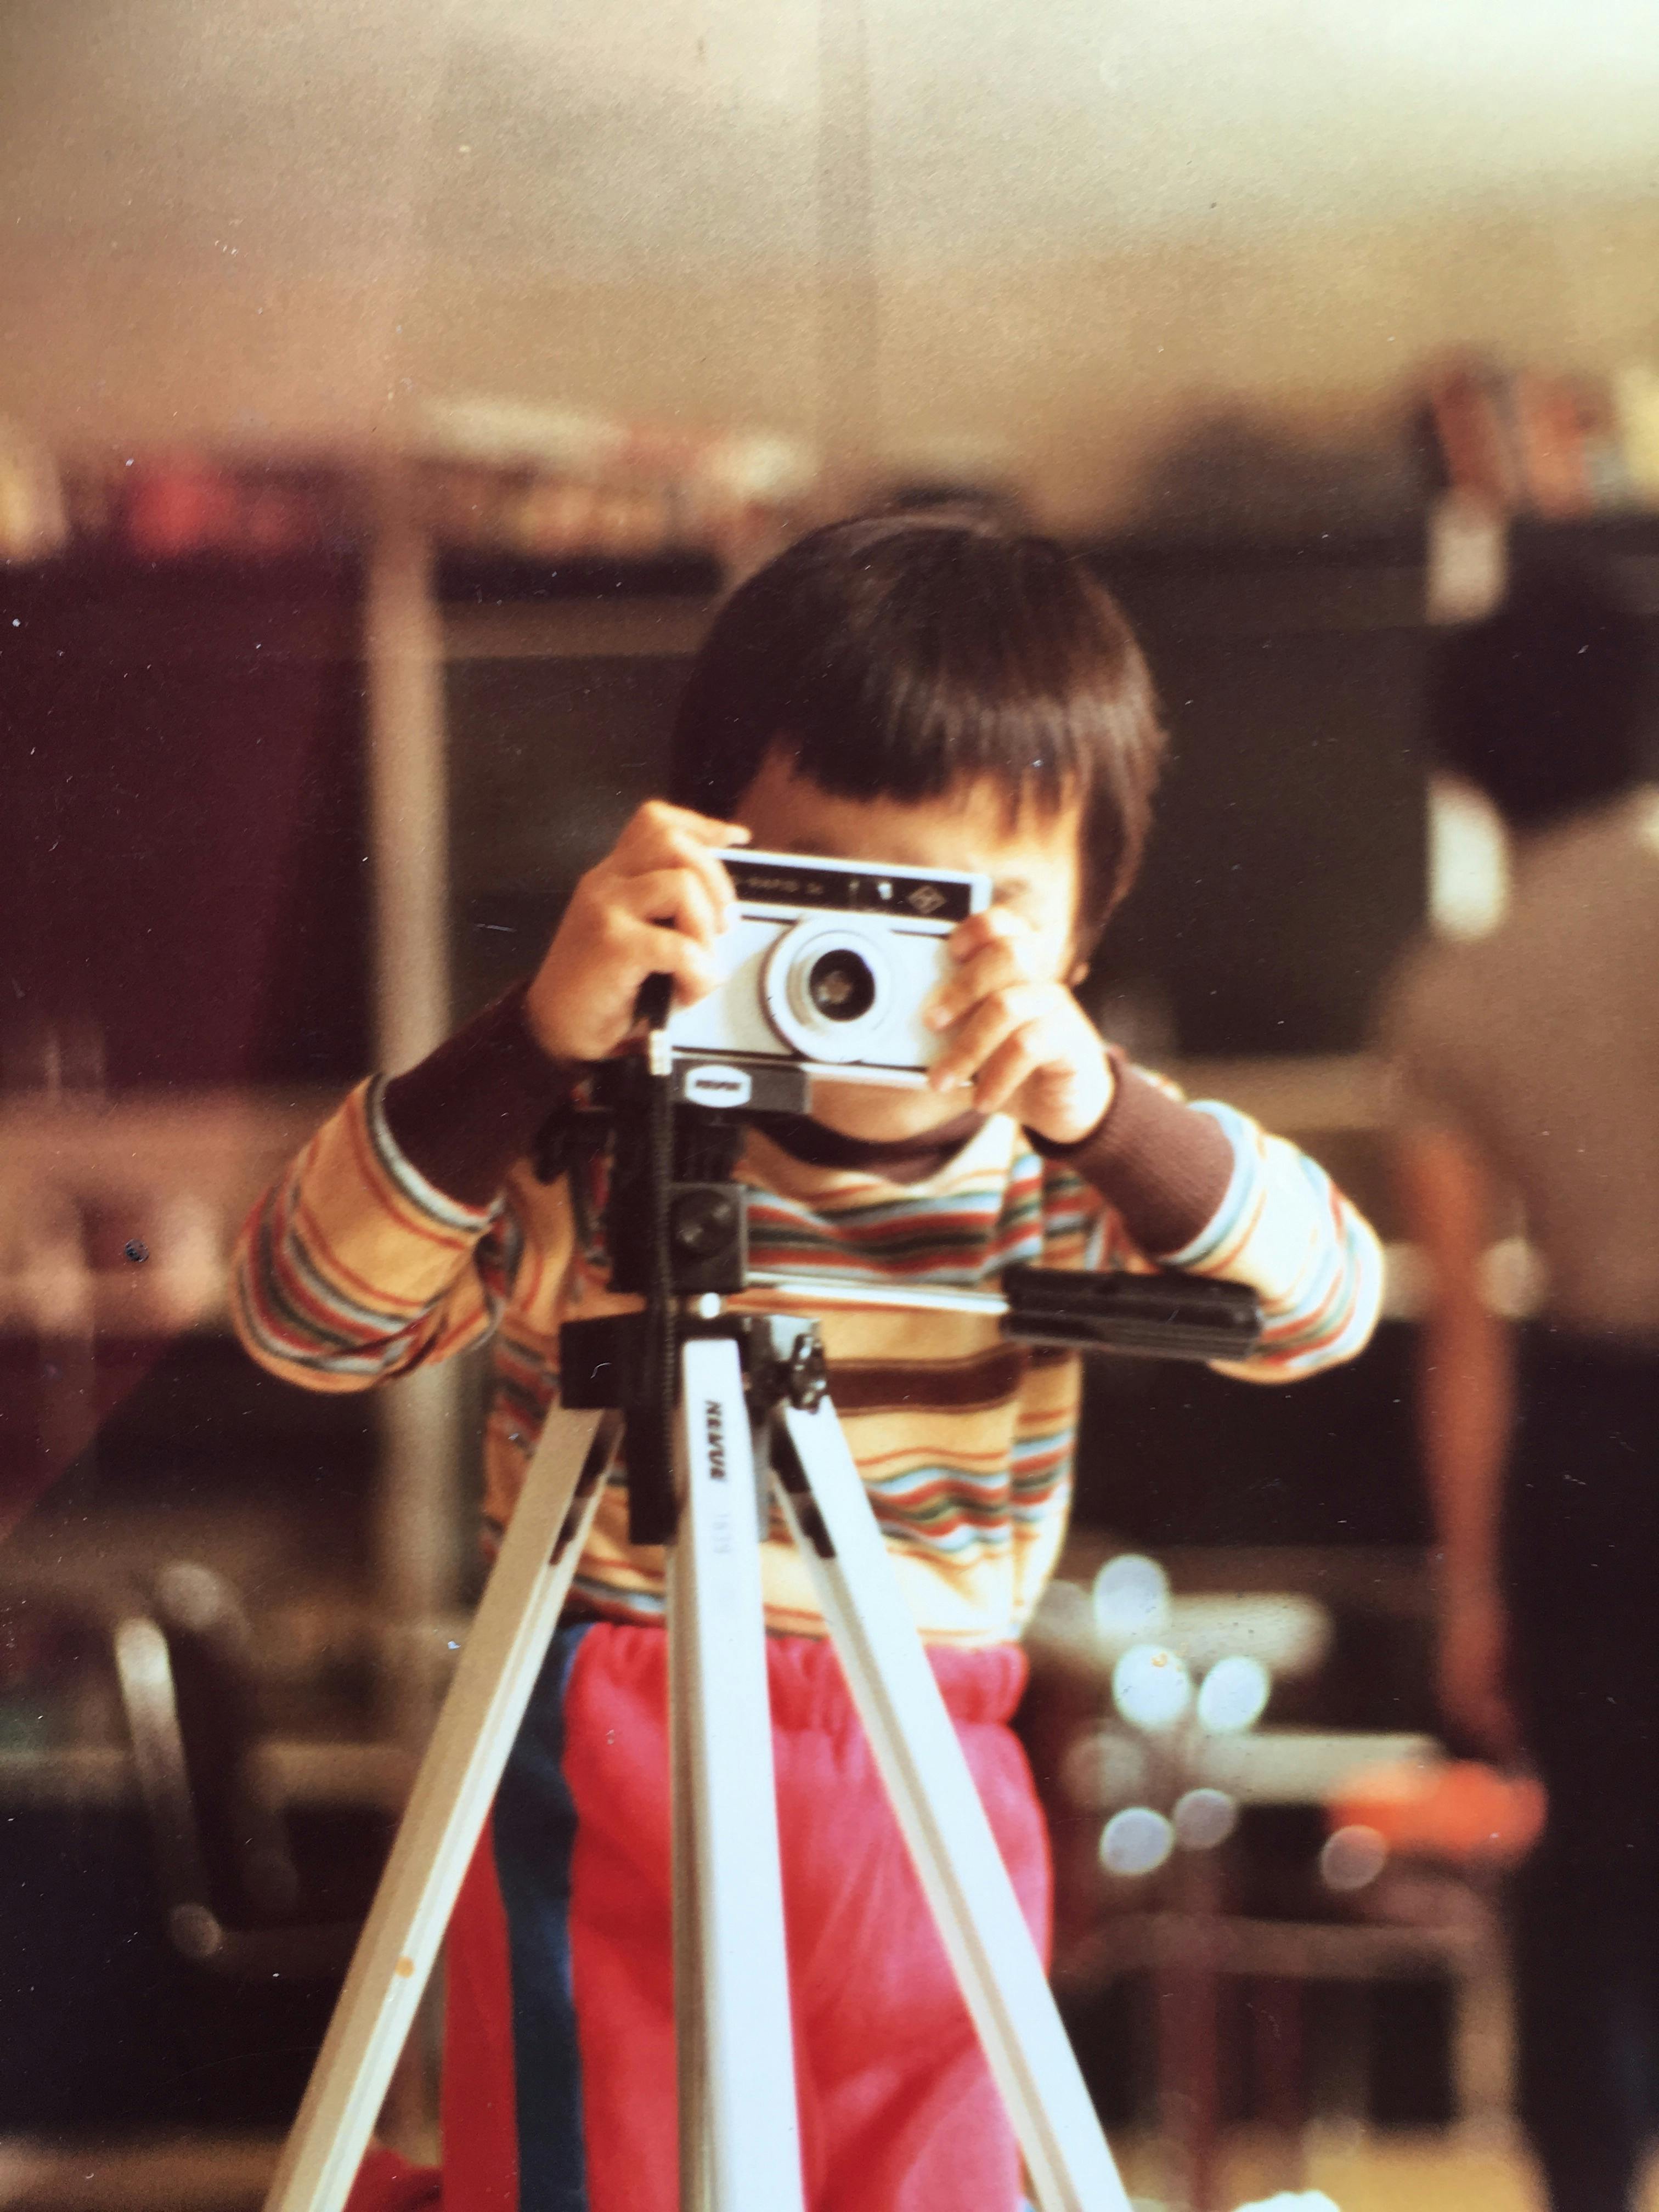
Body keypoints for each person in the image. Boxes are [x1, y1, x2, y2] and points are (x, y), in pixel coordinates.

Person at [233, 513, 1383, 2212]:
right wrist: (532, 1042)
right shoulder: (590, 1145)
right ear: (697, 866)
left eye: (969, 917)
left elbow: (1323, 1304)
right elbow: (305, 1314)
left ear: (1080, 940)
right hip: (611, 1739)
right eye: (834, 900)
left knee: (931, 2177)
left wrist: (1104, 1112)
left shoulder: (1050, 1174)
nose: (878, 978)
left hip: (934, 1757)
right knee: (598, 2173)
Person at [1378, 556, 1659, 2212]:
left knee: (1596, 1869)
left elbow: (1466, 1326)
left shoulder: (1454, 993)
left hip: (1596, 1447)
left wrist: (1474, 1586)